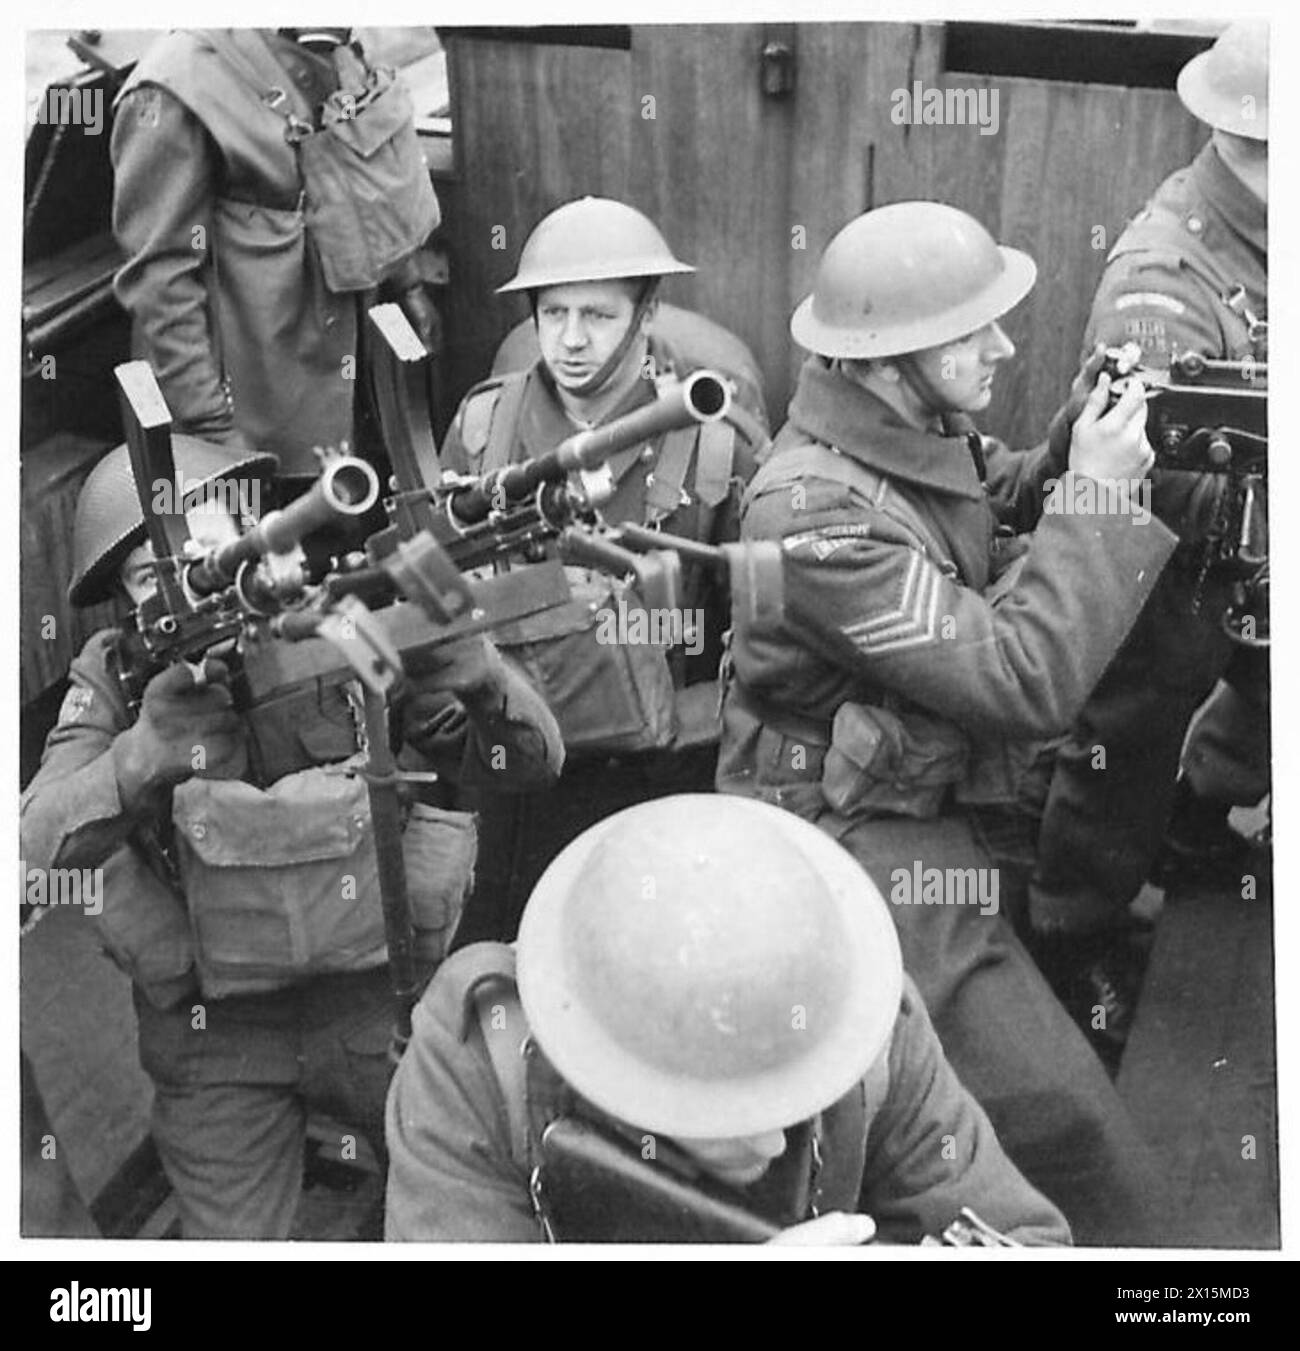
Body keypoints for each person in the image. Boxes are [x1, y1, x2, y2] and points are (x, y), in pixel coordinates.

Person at [713, 200, 1177, 1244]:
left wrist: (1065, 448)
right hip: (850, 853)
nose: (1003, 345)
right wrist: (1096, 501)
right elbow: (1020, 681)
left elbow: (978, 494)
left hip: (928, 816)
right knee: (1074, 1140)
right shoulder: (813, 516)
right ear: (889, 360)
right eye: (972, 332)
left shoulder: (898, 429)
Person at [20, 437, 563, 1239]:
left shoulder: (339, 621)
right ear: (125, 605)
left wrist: (482, 679)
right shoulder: (113, 676)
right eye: (148, 576)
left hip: (373, 1000)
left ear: (253, 533)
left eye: (211, 547)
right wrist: (135, 762)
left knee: (464, 1210)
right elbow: (28, 868)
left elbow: (528, 763)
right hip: (215, 1040)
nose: (191, 577)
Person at [384, 794, 1071, 1245]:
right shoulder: (482, 1053)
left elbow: (1026, 1237)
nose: (773, 1141)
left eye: (791, 1090)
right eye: (722, 1111)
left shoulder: (862, 1027)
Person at [438, 197, 769, 941]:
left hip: (658, 779)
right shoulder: (484, 427)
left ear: (647, 314)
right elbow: (437, 585)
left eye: (598, 315)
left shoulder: (718, 451)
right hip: (516, 772)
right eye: (552, 315)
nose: (572, 340)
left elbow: (756, 645)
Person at [1029, 19, 1270, 1022]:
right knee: (1124, 733)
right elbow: (1143, 468)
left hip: (1260, 546)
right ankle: (1071, 927)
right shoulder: (1162, 280)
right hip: (1174, 553)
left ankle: (1204, 810)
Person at [110, 27, 443, 484]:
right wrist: (216, 432)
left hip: (353, 385)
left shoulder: (331, 46)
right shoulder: (174, 89)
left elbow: (362, 178)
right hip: (255, 418)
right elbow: (160, 280)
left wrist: (409, 283)